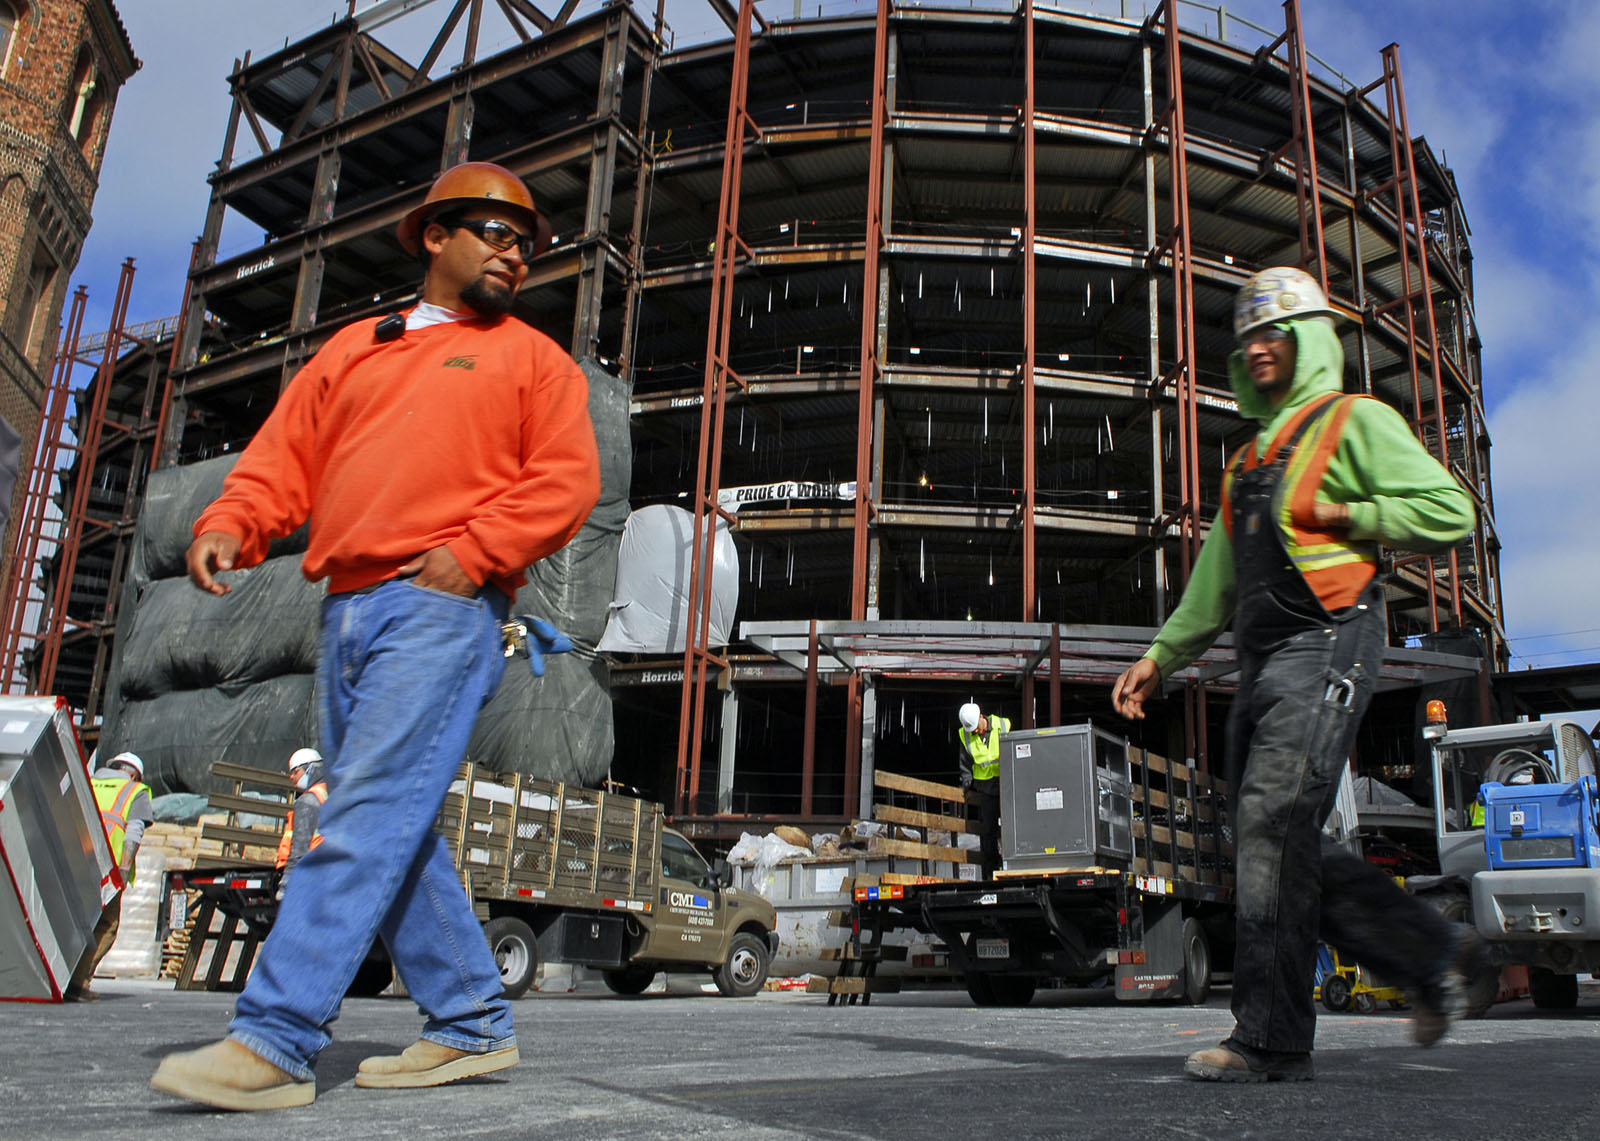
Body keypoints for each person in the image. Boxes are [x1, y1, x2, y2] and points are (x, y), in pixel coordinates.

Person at [150, 161, 601, 1112]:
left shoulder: (534, 362)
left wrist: (474, 554)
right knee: (388, 827)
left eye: (526, 241)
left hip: (441, 609)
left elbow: (565, 482)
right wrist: (235, 518)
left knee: (359, 821)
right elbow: (285, 454)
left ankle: (274, 1038)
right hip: (347, 608)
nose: (513, 253)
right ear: (434, 235)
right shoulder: (358, 349)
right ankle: (473, 1020)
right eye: (492, 231)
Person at [1110, 266, 1484, 1083]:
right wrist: (1159, 656)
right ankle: (1434, 953)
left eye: (1276, 333)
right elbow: (1215, 582)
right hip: (1264, 660)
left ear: (1309, 339)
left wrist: (1351, 513)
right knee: (1272, 841)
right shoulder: (1245, 459)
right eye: (1249, 338)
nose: (1260, 348)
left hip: (1332, 637)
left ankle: (1271, 1038)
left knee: (1273, 827)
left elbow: (1448, 510)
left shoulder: (1354, 421)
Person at [66, 751, 154, 1001]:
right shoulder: (135, 791)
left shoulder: (88, 783)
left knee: (73, 923)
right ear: (133, 774)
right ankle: (78, 982)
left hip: (75, 862)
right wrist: (124, 870)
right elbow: (134, 832)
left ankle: (59, 977)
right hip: (108, 870)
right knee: (107, 925)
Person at [957, 702, 1010, 877]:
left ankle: (1012, 865)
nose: (975, 732)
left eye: (976, 728)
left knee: (1011, 827)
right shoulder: (966, 735)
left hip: (1007, 784)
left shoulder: (1003, 725)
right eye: (971, 730)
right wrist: (967, 783)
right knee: (988, 831)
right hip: (986, 789)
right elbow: (965, 763)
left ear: (982, 717)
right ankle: (991, 871)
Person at [275, 748, 328, 894]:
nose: (291, 777)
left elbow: (301, 845)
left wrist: (288, 880)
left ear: (310, 769)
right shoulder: (329, 794)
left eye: (294, 771)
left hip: (310, 872)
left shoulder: (308, 801)